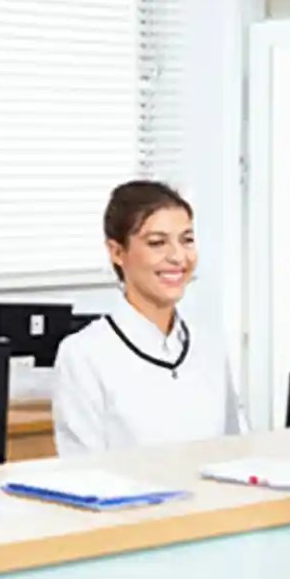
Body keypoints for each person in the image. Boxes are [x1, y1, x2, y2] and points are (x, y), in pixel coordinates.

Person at [53, 180, 241, 455]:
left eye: (186, 240)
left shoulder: (210, 345)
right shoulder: (83, 354)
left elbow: (233, 452)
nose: (178, 257)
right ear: (117, 252)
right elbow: (83, 476)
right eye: (157, 243)